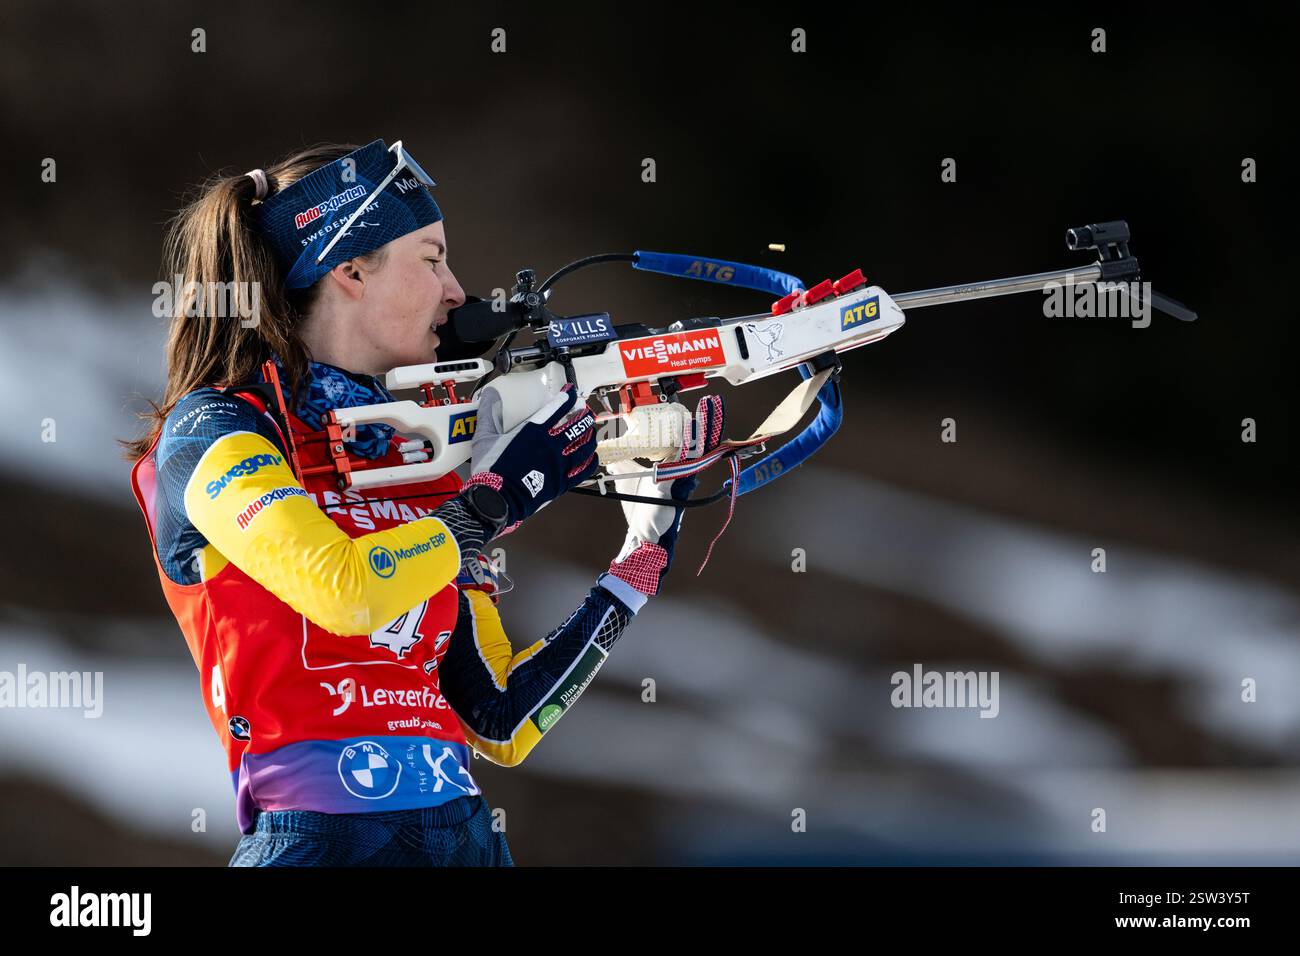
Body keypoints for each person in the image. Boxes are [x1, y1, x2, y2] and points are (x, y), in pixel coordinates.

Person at [123, 139, 724, 866]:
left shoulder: (415, 456)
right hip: (319, 839)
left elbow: (500, 717)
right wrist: (486, 511)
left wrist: (640, 560)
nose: (454, 290)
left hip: (465, 838)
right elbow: (343, 589)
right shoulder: (214, 429)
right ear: (348, 270)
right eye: (432, 258)